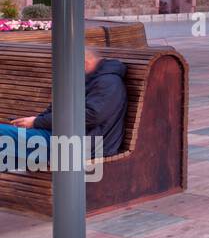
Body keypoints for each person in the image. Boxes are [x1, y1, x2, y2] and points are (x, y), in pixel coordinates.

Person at [0, 49, 128, 169]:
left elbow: (89, 117)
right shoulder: (86, 81)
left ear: (84, 63)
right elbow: (57, 108)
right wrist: (35, 123)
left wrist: (36, 122)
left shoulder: (108, 83)